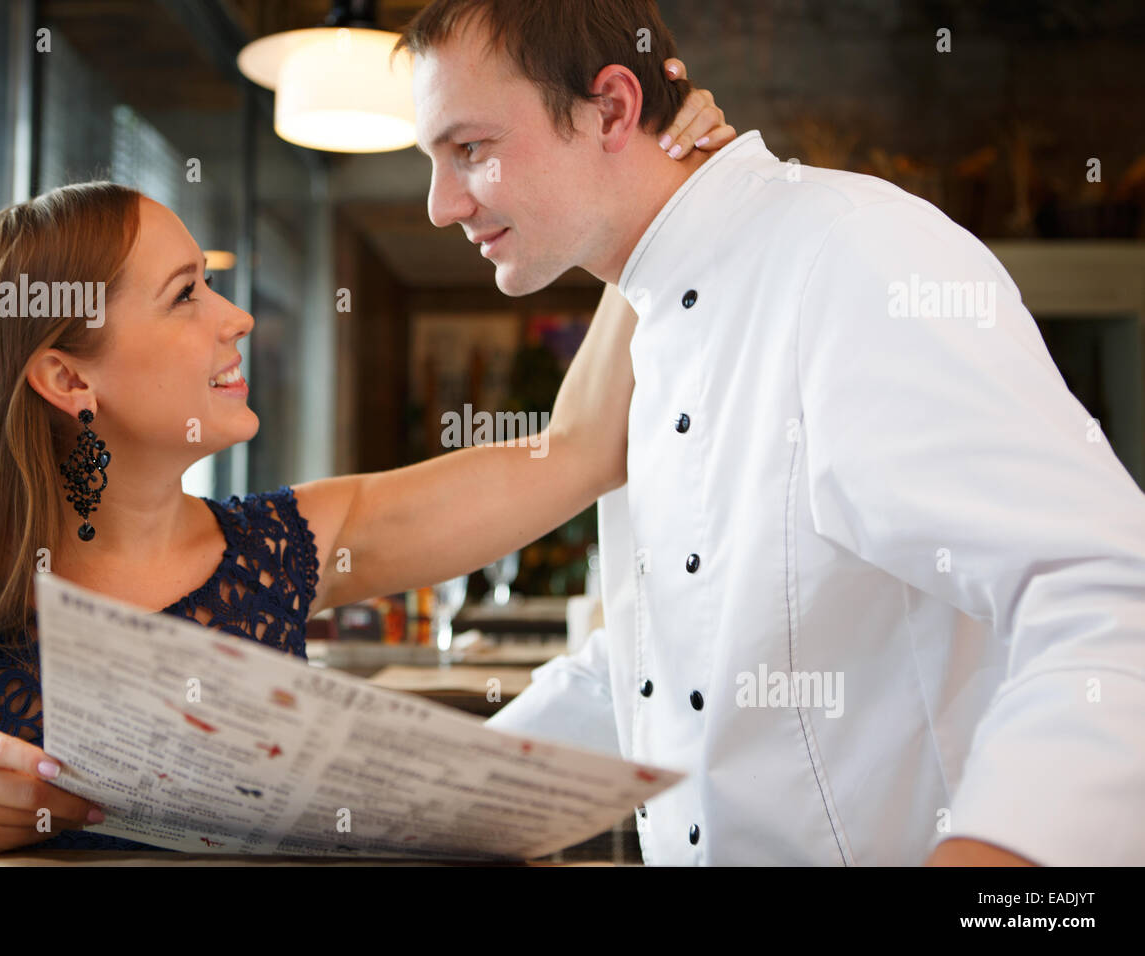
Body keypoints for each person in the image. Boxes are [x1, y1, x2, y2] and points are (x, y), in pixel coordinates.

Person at [0, 60, 733, 855]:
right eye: (185, 295)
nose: (234, 318)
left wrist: (652, 192)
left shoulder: (281, 545)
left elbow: (576, 450)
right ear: (65, 377)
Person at [398, 0, 1145, 865]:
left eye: (471, 150)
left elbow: (1108, 596)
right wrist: (423, 803)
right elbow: (668, 660)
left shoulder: (855, 255)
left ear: (610, 109)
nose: (440, 205)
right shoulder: (654, 317)